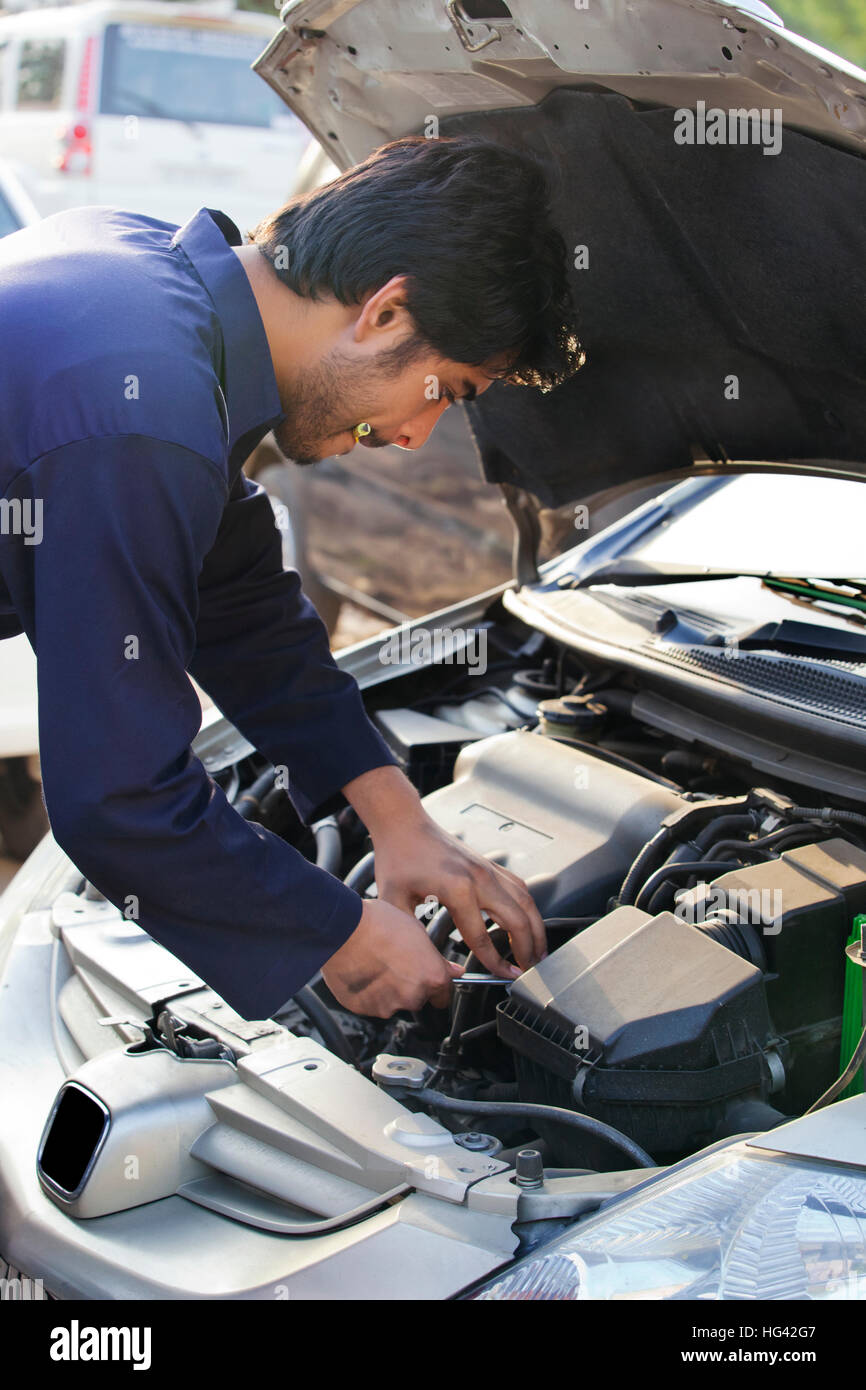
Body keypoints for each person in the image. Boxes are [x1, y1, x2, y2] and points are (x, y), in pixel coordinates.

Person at [0, 135, 582, 1021]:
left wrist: (396, 815)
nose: (418, 437)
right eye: (446, 392)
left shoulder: (148, 286)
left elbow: (235, 602)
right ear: (387, 312)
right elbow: (117, 795)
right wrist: (332, 932)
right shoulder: (143, 412)